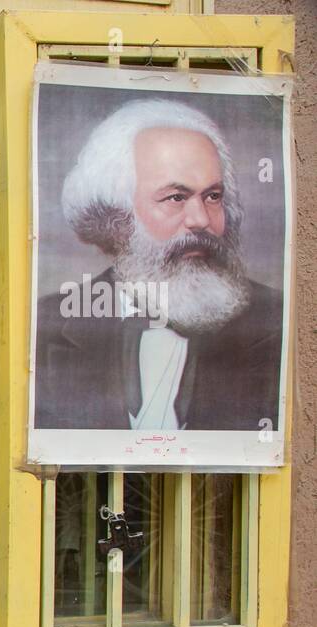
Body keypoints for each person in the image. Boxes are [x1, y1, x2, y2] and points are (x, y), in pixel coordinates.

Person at [34, 98, 283, 432]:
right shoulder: (46, 325)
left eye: (213, 197)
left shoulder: (275, 322)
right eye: (175, 198)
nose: (200, 220)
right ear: (118, 214)